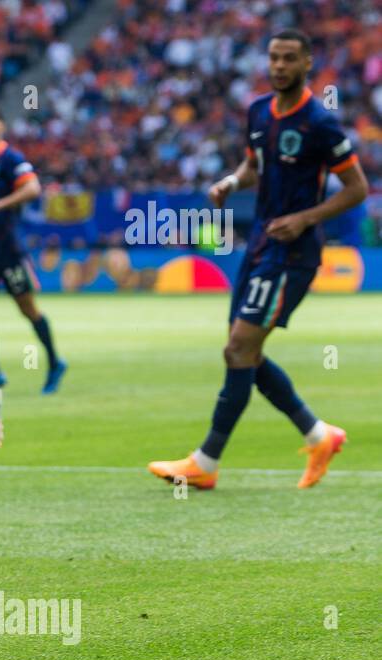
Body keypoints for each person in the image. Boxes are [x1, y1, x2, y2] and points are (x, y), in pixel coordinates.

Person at [149, 29, 367, 490]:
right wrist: (230, 183)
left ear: (307, 65)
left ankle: (205, 463)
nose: (279, 66)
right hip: (260, 247)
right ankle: (319, 434)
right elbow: (254, 165)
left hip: (293, 254)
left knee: (238, 350)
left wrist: (305, 218)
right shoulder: (256, 112)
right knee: (244, 351)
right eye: (273, 58)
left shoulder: (320, 123)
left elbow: (357, 189)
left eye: (289, 59)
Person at [0, 105, 66, 393]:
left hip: (8, 249)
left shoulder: (11, 158)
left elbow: (33, 189)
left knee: (28, 309)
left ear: (1, 127)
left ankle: (55, 361)